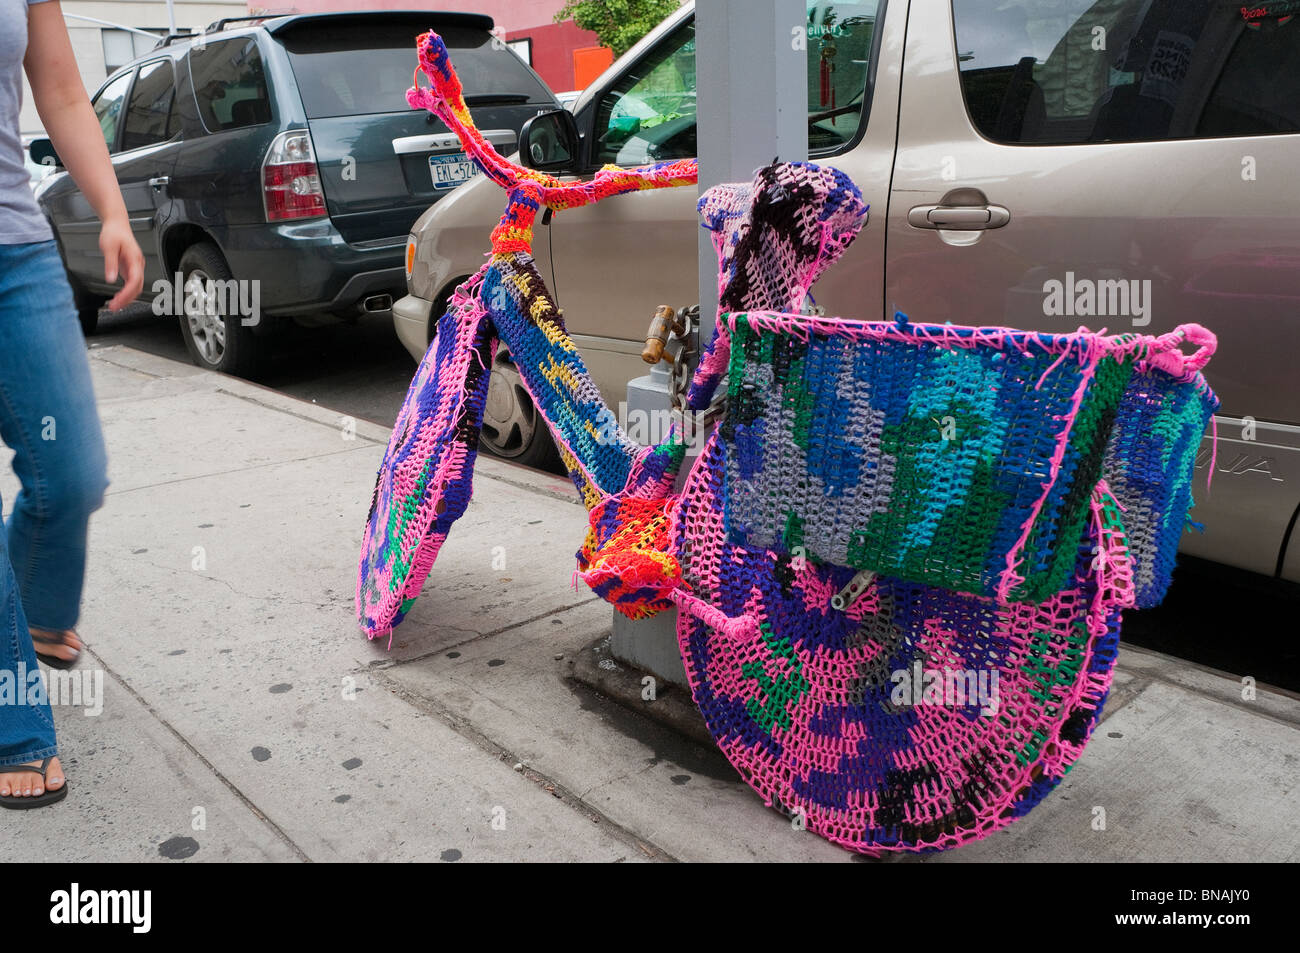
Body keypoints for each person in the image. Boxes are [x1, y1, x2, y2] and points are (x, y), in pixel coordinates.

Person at [0, 0, 143, 808]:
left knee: (72, 474)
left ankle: (34, 609)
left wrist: (113, 210)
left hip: (16, 249)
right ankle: (13, 722)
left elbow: (56, 87)